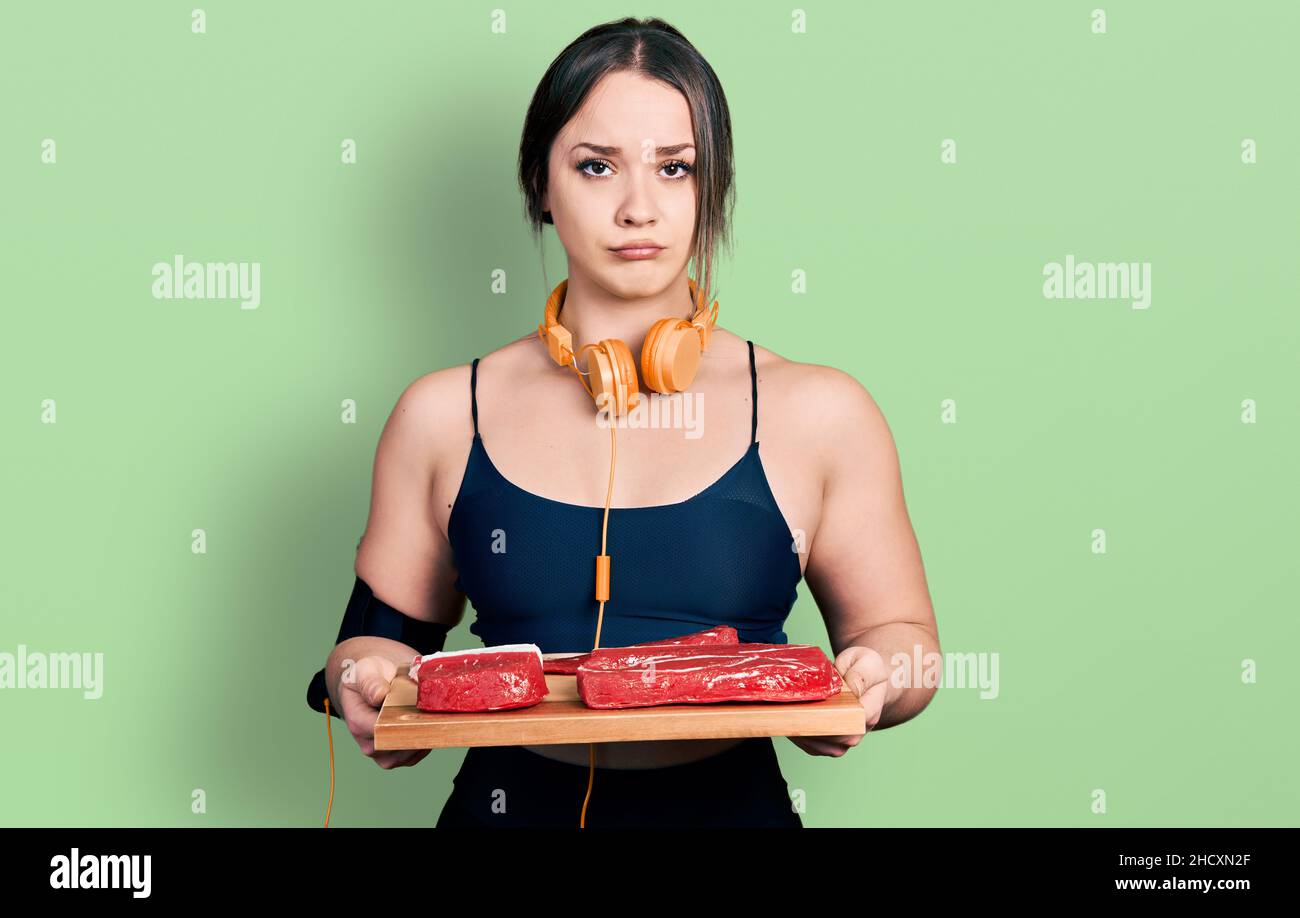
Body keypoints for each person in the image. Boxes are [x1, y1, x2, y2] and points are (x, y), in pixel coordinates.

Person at [307, 16, 939, 828]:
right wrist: (362, 677)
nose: (639, 208)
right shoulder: (439, 416)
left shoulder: (822, 412)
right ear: (540, 185)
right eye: (597, 166)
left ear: (710, 189)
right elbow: (377, 643)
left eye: (675, 169)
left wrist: (881, 674)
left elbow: (903, 637)